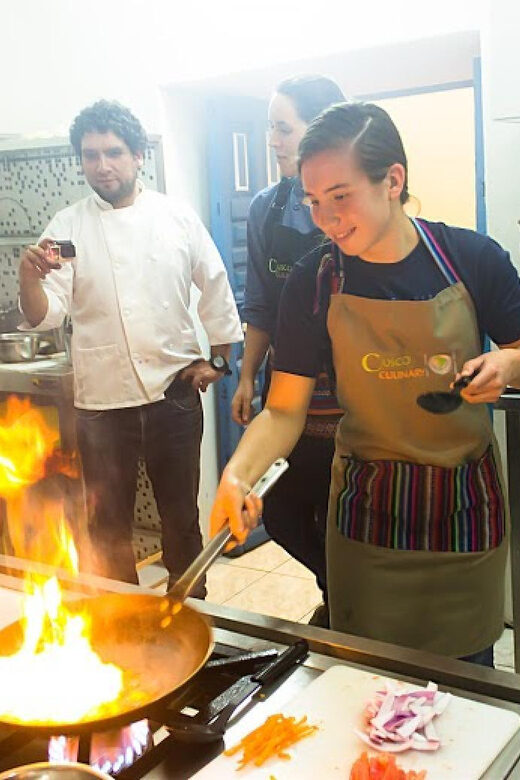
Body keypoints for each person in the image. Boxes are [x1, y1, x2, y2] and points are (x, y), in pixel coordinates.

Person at [211, 101, 520, 665]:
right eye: (313, 201)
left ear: (392, 181)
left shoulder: (470, 258)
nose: (325, 218)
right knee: (365, 680)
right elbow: (284, 411)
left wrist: (507, 364)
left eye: (340, 196)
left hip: (463, 508)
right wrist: (236, 475)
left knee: (465, 683)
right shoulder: (313, 281)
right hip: (369, 512)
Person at [19, 100, 243, 591]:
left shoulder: (176, 217)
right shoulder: (67, 228)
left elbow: (215, 285)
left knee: (180, 518)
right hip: (102, 403)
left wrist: (220, 361)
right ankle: (118, 620)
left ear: (138, 155)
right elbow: (46, 313)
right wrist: (28, 278)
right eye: (91, 155)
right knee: (107, 525)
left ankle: (191, 610)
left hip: (173, 394)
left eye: (114, 153)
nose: (102, 165)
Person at [232, 76, 345, 626]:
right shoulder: (266, 208)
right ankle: (337, 588)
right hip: (288, 397)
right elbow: (260, 302)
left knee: (344, 515)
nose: (273, 141)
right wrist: (247, 375)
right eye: (270, 128)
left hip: (347, 401)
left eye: (283, 128)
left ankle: (347, 604)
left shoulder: (351, 208)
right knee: (280, 512)